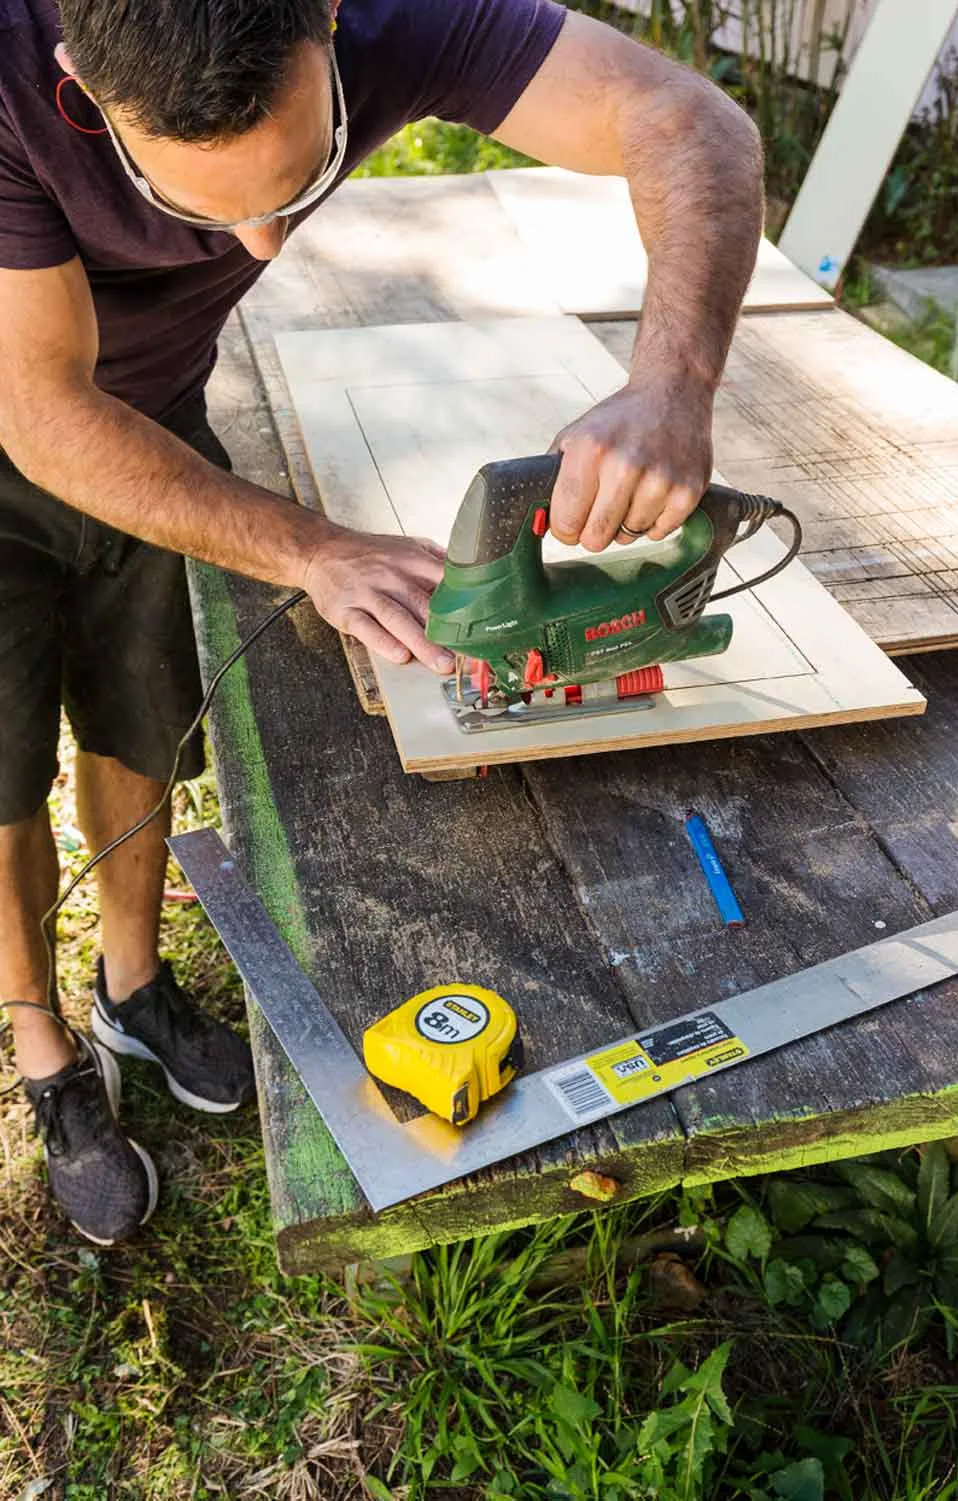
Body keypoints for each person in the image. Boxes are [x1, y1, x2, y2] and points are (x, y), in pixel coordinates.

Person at [0, 0, 763, 1245]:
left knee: (143, 718)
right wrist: (312, 546)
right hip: (24, 406)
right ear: (80, 83)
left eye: (300, 181)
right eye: (197, 204)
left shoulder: (396, 13)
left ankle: (131, 986)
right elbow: (43, 411)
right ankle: (43, 1046)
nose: (260, 244)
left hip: (154, 417)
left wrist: (674, 382)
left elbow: (688, 119)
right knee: (2, 778)